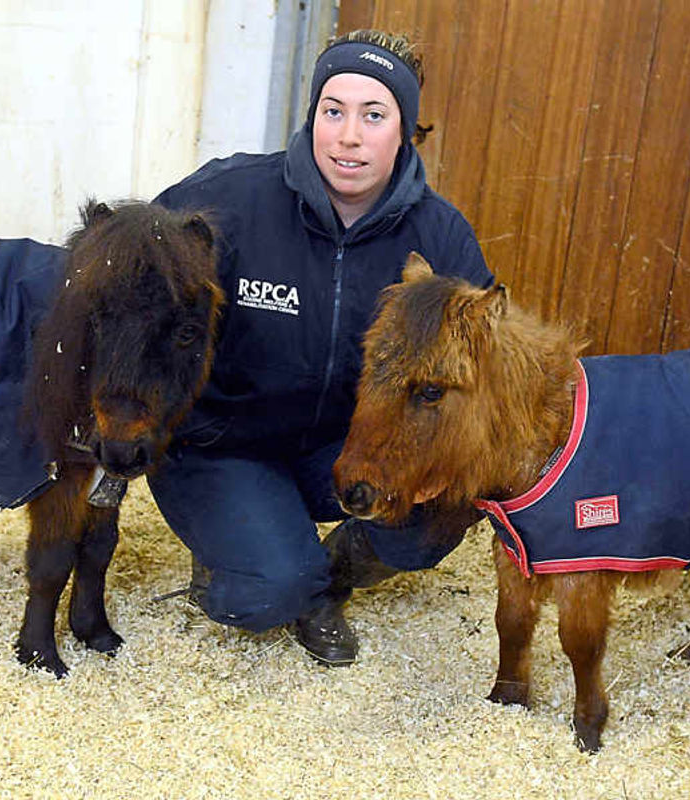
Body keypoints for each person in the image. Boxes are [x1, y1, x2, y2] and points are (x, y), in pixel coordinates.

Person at [150, 29, 494, 665]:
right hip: (224, 443)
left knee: (452, 500)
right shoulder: (229, 198)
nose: (349, 136)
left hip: (350, 445)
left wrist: (445, 460)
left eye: (374, 115)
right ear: (312, 117)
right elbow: (130, 284)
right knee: (263, 596)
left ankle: (325, 577)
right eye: (333, 111)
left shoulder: (441, 236)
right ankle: (264, 566)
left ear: (407, 131)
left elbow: (486, 366)